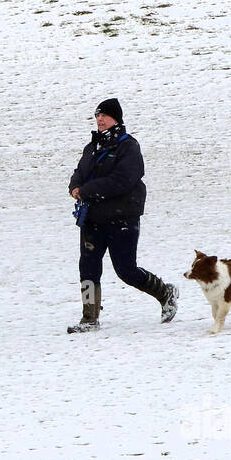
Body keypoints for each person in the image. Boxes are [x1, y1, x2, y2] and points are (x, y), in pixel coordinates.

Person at [67, 98, 178, 333]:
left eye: (104, 116)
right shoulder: (92, 147)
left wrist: (86, 190)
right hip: (92, 219)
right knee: (87, 269)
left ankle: (164, 291)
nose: (99, 120)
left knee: (126, 270)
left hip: (121, 218)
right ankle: (89, 318)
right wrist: (74, 187)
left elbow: (123, 181)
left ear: (116, 118)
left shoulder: (129, 146)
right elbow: (79, 172)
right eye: (97, 116)